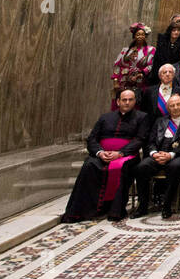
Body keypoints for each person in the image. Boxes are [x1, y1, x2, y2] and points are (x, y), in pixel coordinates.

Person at [62, 89, 150, 223]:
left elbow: (139, 139)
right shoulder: (105, 117)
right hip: (103, 153)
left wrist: (120, 153)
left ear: (135, 101)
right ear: (118, 101)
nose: (127, 103)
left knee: (120, 167)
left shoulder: (142, 117)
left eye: (130, 100)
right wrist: (99, 152)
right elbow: (92, 138)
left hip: (127, 156)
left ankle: (115, 210)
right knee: (89, 165)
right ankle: (84, 210)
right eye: (124, 100)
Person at [134, 92, 180, 218]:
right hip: (158, 154)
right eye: (172, 105)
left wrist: (171, 155)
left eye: (178, 104)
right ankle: (143, 206)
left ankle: (167, 205)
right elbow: (150, 141)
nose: (176, 107)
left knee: (174, 167)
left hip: (178, 155)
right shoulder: (159, 121)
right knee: (142, 167)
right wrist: (154, 153)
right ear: (168, 108)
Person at [111, 23, 155, 106]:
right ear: (134, 36)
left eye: (142, 34)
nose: (140, 36)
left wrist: (139, 75)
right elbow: (117, 65)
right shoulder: (125, 50)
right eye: (138, 34)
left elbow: (151, 66)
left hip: (140, 83)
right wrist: (115, 82)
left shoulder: (151, 50)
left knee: (136, 104)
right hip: (123, 82)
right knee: (122, 104)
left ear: (145, 36)